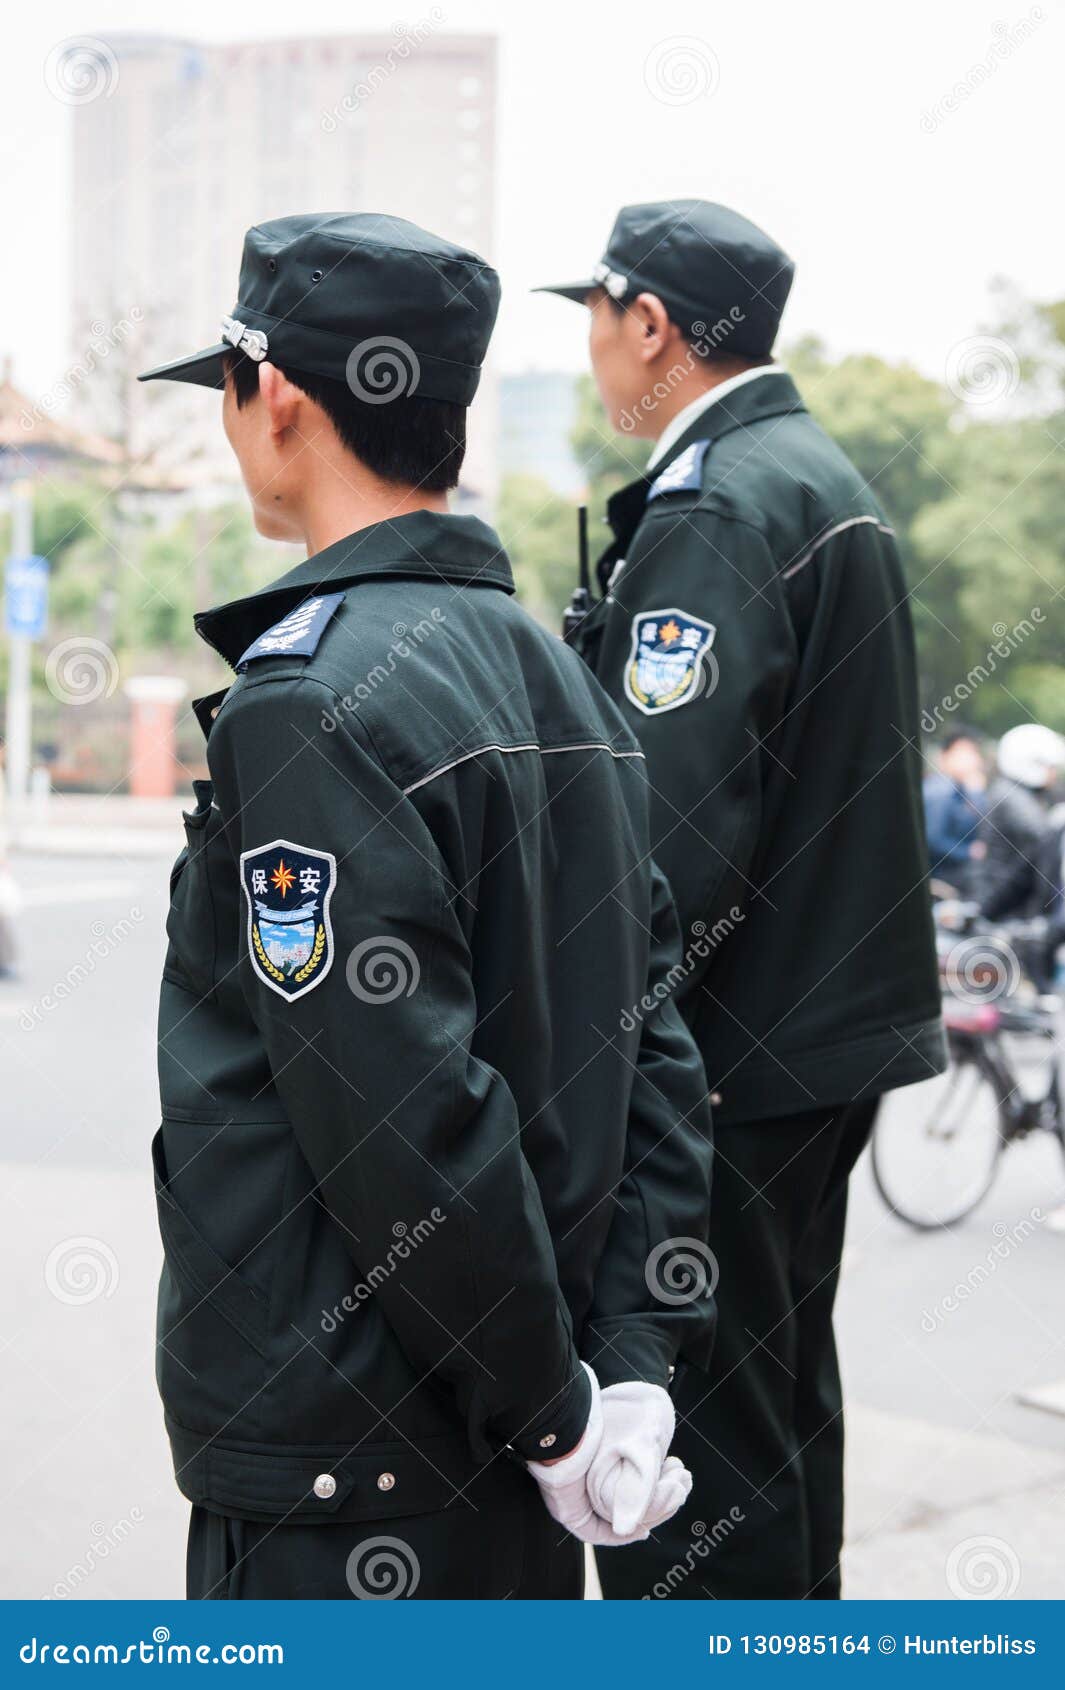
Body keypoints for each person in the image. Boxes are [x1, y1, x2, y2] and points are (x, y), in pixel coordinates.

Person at [136, 213, 715, 1601]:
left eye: (224, 387)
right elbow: (659, 1047)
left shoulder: (308, 697)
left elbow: (406, 1119)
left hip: (352, 1460)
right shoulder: (548, 669)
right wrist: (619, 1368)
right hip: (504, 1445)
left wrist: (563, 1407)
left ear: (274, 395)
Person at [537, 199, 945, 1599]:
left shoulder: (719, 503)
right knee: (776, 1418)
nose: (590, 349)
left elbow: (660, 837)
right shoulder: (813, 475)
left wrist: (581, 1053)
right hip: (816, 1042)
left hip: (725, 1063)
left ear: (647, 321)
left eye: (591, 317)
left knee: (692, 1457)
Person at [972, 723, 1065, 924]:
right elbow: (1045, 835)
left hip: (1010, 898)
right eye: (1050, 767)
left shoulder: (1021, 793)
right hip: (1002, 901)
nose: (1054, 774)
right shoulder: (1011, 795)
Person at [922, 727, 987, 893]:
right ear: (944, 756)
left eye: (973, 753)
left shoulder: (962, 789)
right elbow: (932, 839)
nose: (971, 759)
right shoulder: (940, 790)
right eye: (962, 753)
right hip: (942, 878)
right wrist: (968, 852)